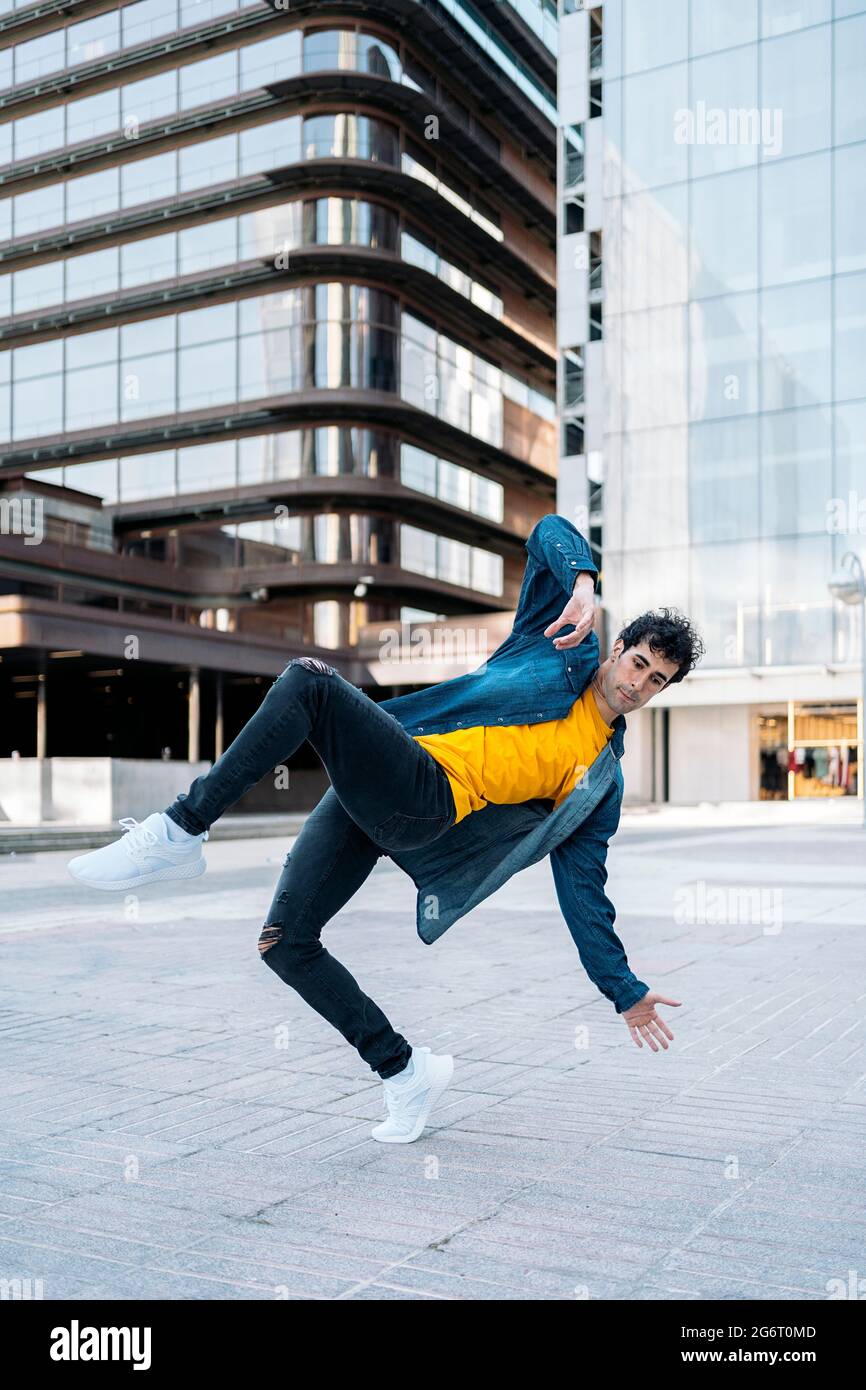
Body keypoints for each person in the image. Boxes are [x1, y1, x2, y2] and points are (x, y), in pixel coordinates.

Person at [68, 514, 703, 1144]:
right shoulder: (558, 647)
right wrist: (585, 581)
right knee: (285, 943)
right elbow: (546, 532)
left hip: (424, 803)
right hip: (397, 760)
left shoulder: (601, 781)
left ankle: (182, 830)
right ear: (618, 648)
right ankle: (404, 1071)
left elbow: (584, 892)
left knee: (309, 684)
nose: (638, 684)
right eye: (639, 663)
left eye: (657, 681)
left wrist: (624, 990)